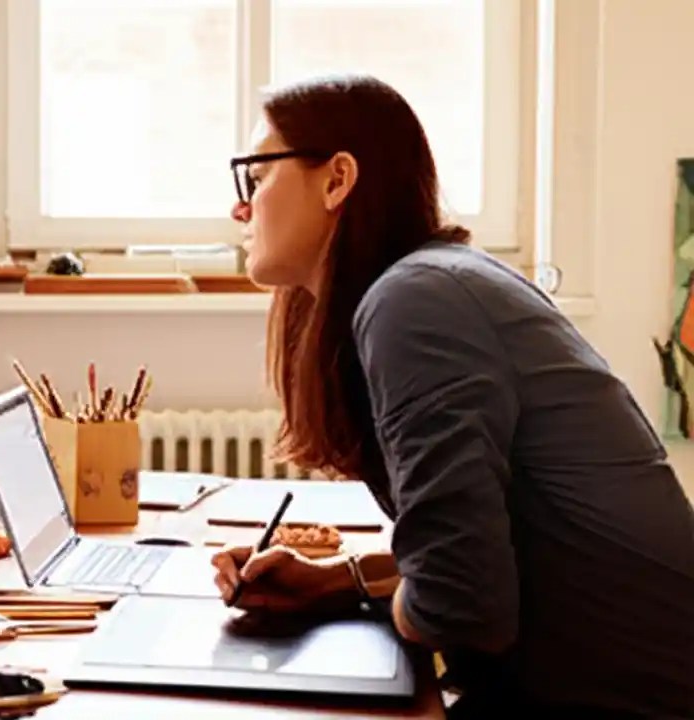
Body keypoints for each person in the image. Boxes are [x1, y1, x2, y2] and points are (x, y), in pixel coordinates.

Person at [212, 74, 694, 718]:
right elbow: (479, 565)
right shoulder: (429, 284)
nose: (240, 209)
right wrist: (341, 580)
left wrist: (399, 589)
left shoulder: (415, 300)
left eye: (256, 176)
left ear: (337, 179)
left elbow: (459, 603)